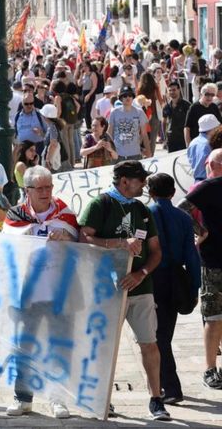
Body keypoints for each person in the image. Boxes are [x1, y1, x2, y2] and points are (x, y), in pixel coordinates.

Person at [78, 160, 169, 421]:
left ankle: (156, 399)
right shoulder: (100, 204)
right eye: (140, 179)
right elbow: (84, 238)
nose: (144, 184)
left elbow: (155, 251)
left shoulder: (141, 209)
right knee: (104, 345)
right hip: (106, 287)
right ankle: (101, 398)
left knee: (150, 344)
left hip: (141, 287)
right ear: (125, 180)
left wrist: (141, 274)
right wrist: (118, 242)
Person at [1, 165, 78, 419]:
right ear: (28, 190)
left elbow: (83, 248)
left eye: (49, 187)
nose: (46, 192)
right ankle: (23, 398)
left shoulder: (65, 213)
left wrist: (67, 239)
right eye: (41, 188)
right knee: (24, 347)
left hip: (60, 293)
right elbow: (6, 248)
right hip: (27, 296)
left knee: (60, 347)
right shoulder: (15, 214)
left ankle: (58, 398)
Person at [145, 173, 201, 403]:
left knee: (158, 338)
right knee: (164, 334)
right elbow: (192, 256)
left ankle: (170, 388)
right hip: (177, 278)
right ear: (172, 192)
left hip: (153, 278)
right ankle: (166, 386)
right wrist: (194, 287)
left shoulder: (146, 214)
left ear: (151, 192)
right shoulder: (184, 218)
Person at [179, 148, 222, 389]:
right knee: (215, 316)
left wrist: (200, 231)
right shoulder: (209, 187)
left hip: (214, 259)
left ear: (212, 165)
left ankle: (211, 369)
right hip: (213, 259)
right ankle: (210, 368)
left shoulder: (208, 186)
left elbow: (181, 209)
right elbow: (182, 209)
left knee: (215, 317)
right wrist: (201, 230)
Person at [108, 85, 151, 160]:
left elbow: (144, 134)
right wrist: (109, 152)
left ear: (133, 97)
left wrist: (148, 151)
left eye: (130, 95)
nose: (127, 97)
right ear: (121, 98)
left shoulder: (139, 112)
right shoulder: (114, 112)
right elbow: (109, 133)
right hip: (118, 154)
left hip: (135, 154)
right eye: (124, 96)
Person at [184, 82, 222, 148]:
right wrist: (189, 145)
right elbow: (187, 128)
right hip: (198, 143)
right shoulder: (194, 107)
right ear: (201, 94)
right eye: (207, 94)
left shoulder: (214, 107)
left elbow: (220, 126)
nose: (209, 97)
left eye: (212, 95)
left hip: (212, 144)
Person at [188, 114, 219, 182]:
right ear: (212, 129)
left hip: (197, 181)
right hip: (209, 181)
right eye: (217, 128)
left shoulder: (193, 142)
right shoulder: (210, 143)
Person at [162, 81, 191, 152]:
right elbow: (164, 122)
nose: (172, 92)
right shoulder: (166, 106)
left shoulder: (187, 105)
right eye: (170, 90)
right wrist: (165, 138)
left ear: (179, 90)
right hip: (171, 139)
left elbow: (192, 122)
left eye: (174, 90)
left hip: (183, 139)